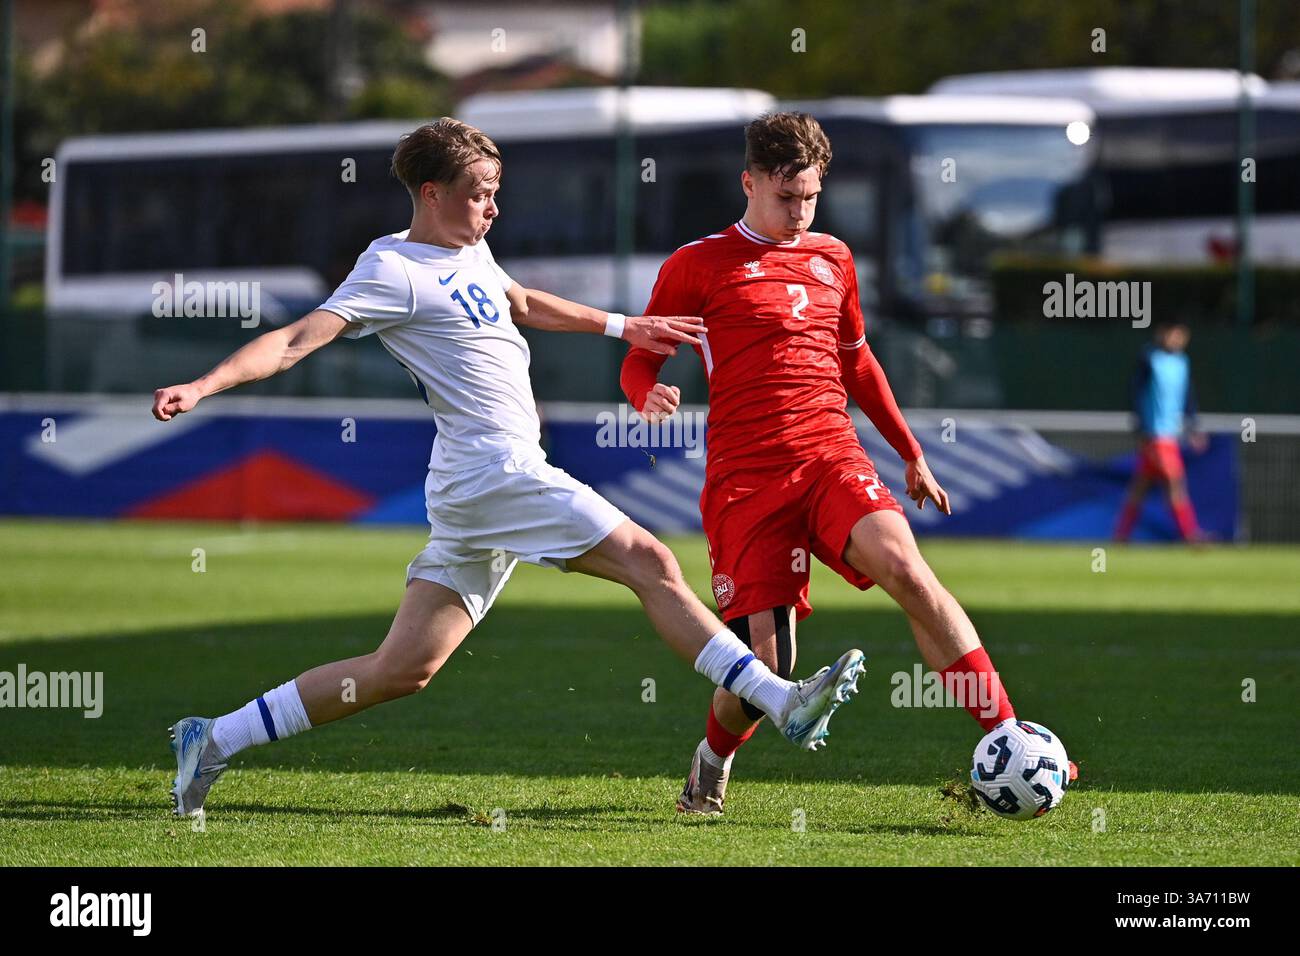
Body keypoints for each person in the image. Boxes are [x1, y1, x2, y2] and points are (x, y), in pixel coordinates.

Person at [153, 118, 865, 818]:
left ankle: (212, 739)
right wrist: (202, 386)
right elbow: (291, 342)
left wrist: (624, 326)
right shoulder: (391, 268)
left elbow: (521, 302)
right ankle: (779, 700)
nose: (493, 208)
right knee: (648, 560)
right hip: (495, 472)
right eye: (480, 194)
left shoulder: (471, 251)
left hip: (476, 486)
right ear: (430, 193)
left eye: (497, 192)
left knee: (401, 670)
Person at [620, 111, 1036, 816]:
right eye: (786, 198)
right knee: (772, 667)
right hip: (746, 480)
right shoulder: (696, 266)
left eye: (810, 197)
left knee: (906, 568)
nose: (800, 211)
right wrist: (645, 391)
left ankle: (1007, 737)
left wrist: (909, 452)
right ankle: (710, 761)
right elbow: (639, 357)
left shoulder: (833, 258)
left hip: (829, 455)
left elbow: (856, 362)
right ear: (749, 183)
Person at [1114, 321, 1207, 543]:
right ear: (1162, 334)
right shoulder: (1149, 359)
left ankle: (1120, 536)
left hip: (1171, 435)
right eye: (1173, 334)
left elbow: (1187, 396)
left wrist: (1192, 426)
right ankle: (1191, 534)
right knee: (1175, 481)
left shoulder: (1182, 362)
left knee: (1141, 486)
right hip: (1155, 435)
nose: (1177, 339)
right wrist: (1141, 429)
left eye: (1181, 335)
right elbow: (1135, 393)